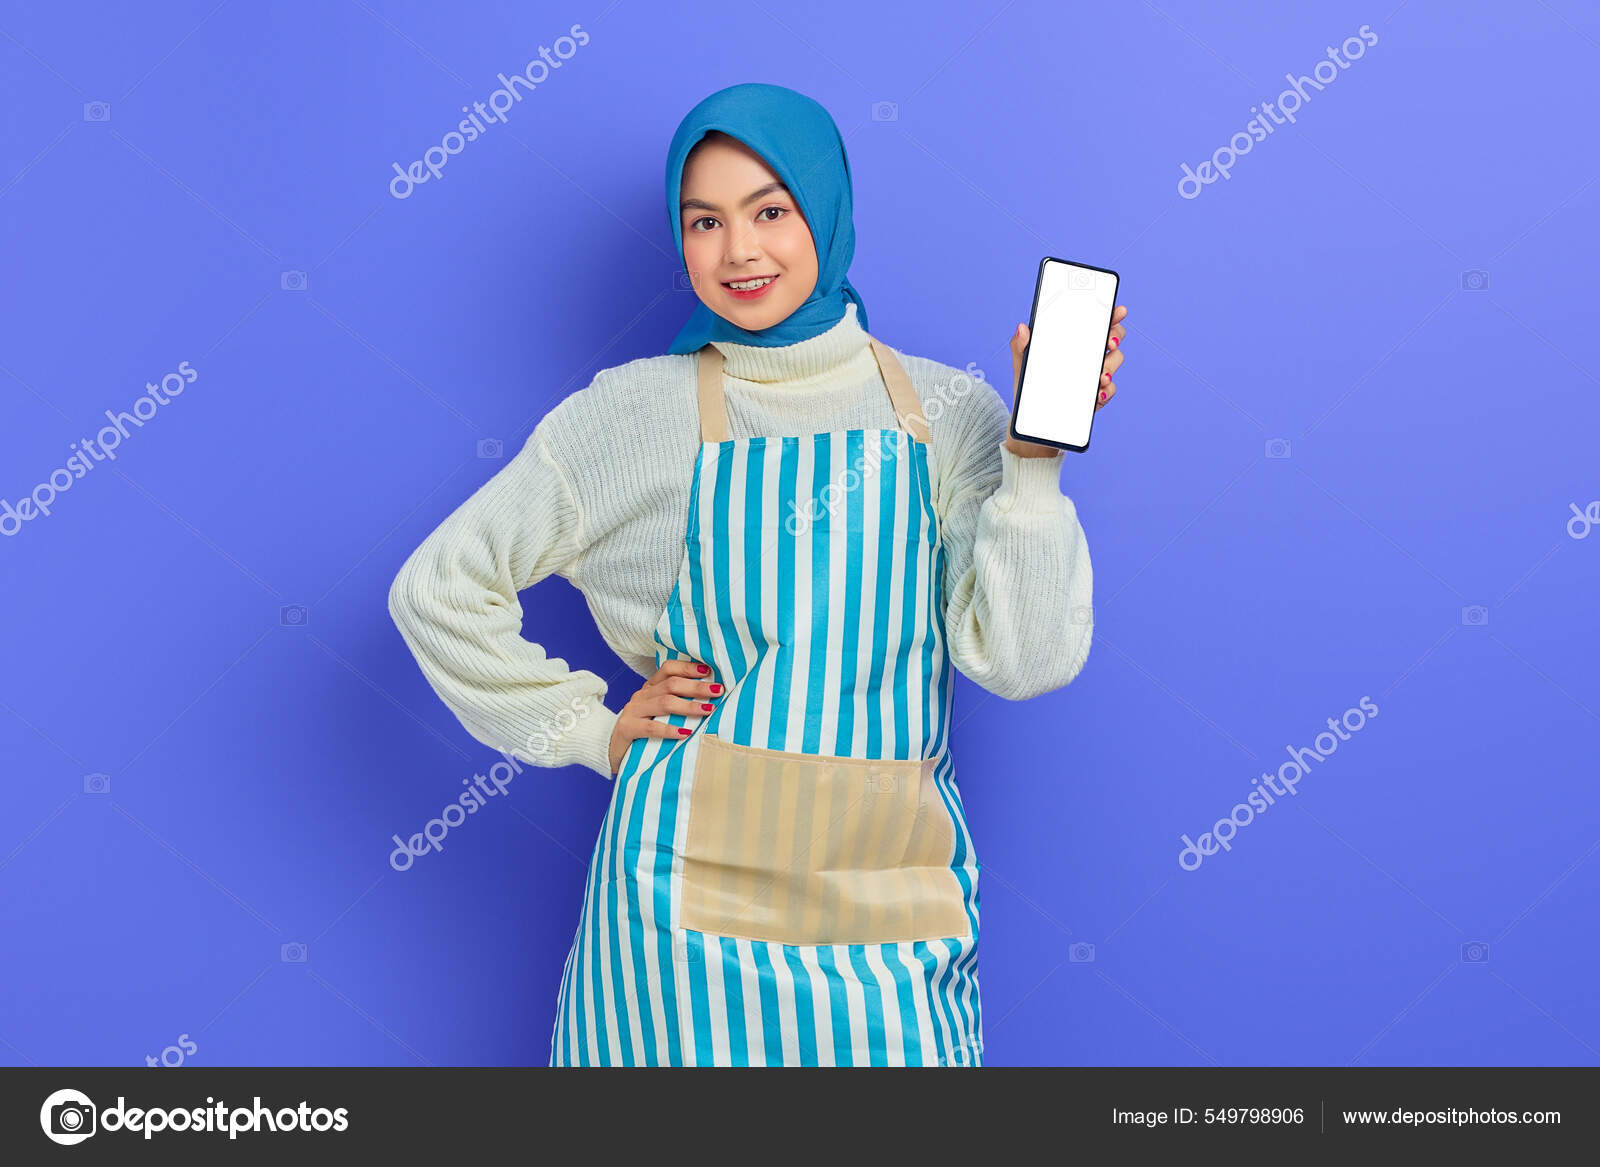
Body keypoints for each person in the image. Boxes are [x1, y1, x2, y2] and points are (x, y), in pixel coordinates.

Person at [388, 82, 1126, 1067]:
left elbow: (1026, 663)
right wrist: (590, 730)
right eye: (704, 221)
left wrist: (1033, 468)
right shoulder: (634, 416)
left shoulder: (951, 414)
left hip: (889, 919)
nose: (738, 251)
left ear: (825, 209)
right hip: (676, 934)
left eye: (770, 211)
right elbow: (437, 589)